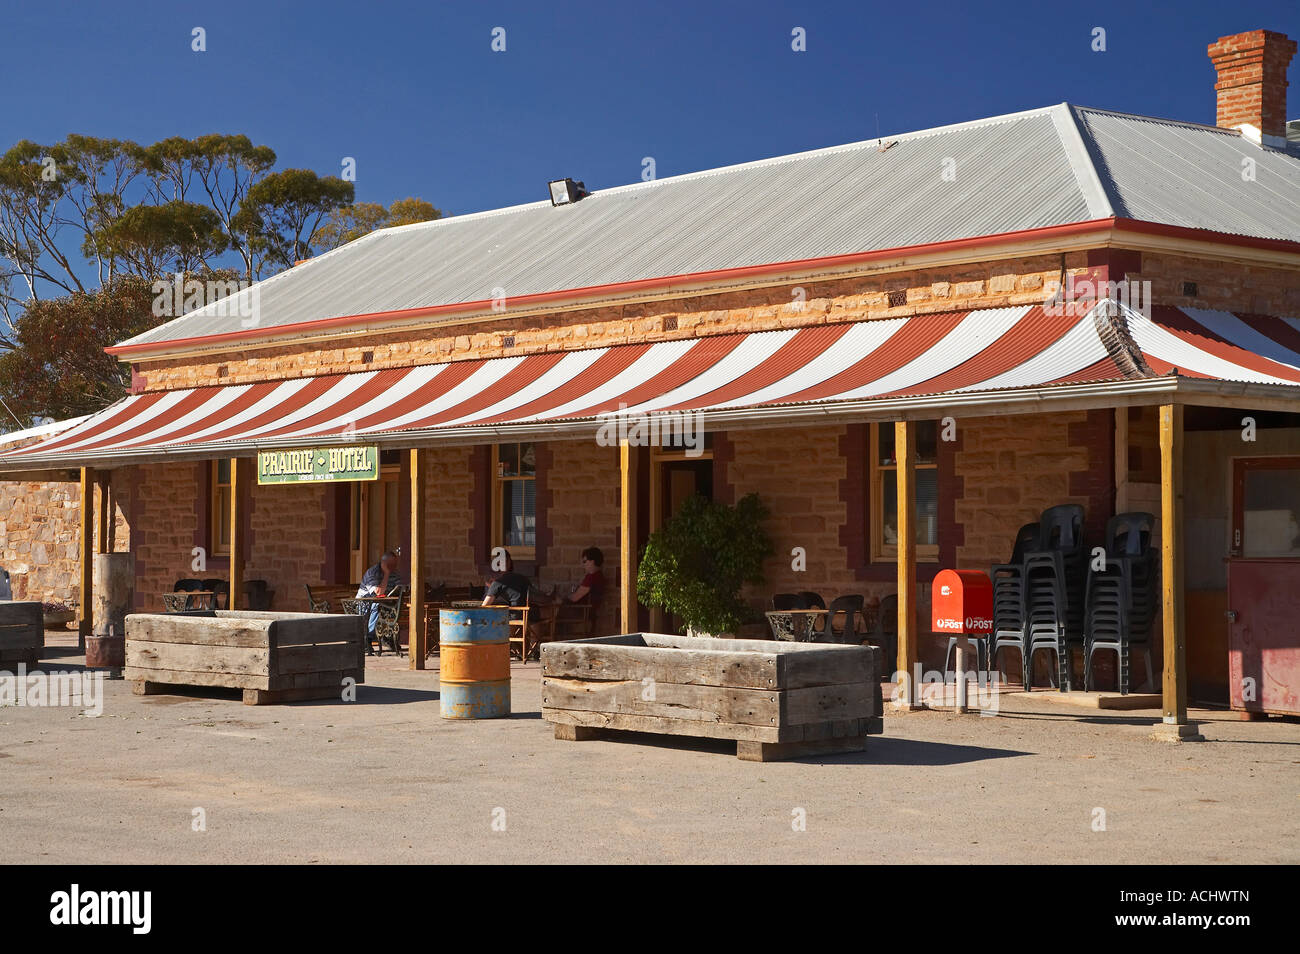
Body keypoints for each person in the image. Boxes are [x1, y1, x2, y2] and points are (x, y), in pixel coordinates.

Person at [357, 551, 403, 652]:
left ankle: (389, 637)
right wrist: (386, 574)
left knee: (396, 606)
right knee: (377, 605)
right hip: (363, 605)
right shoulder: (372, 573)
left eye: (395, 564)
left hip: (385, 604)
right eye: (391, 565)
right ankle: (368, 638)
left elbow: (400, 586)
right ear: (384, 564)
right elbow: (378, 592)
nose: (394, 567)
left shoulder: (394, 573)